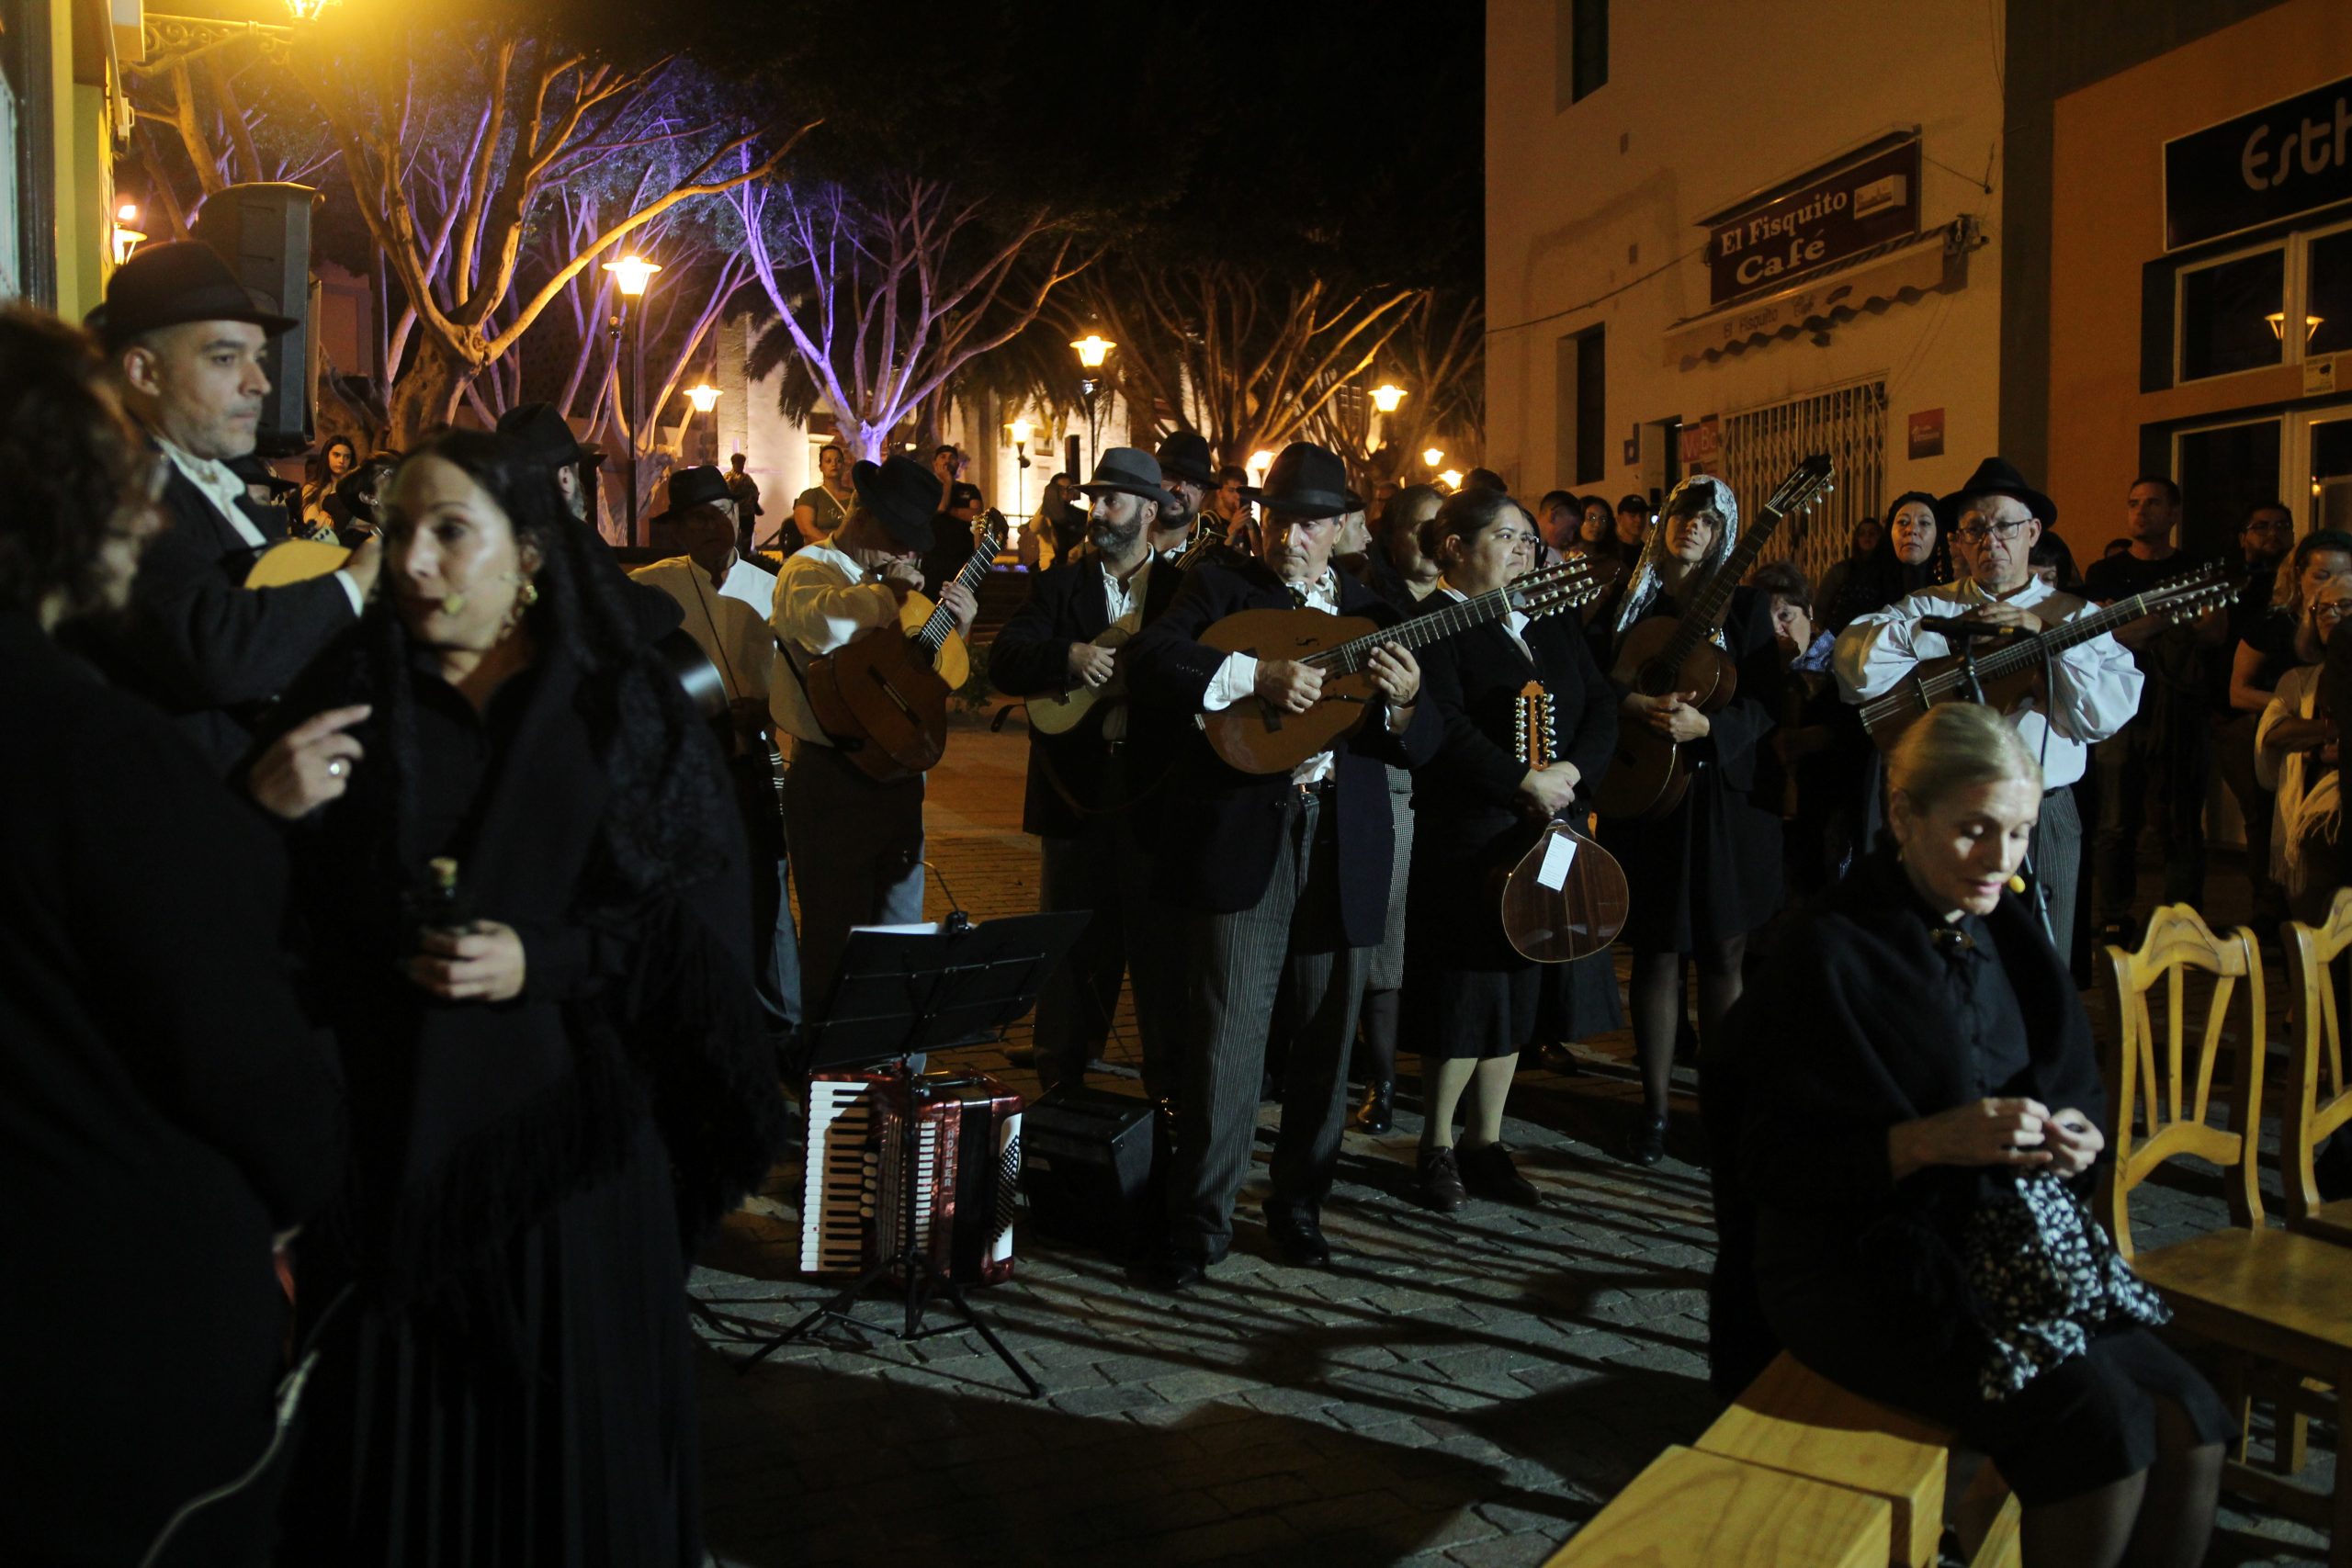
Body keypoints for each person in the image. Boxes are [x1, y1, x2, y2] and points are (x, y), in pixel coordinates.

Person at [255, 431, 783, 1565]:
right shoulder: (346, 693)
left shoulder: (616, 707)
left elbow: (691, 940)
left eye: (450, 532)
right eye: (397, 533)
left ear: (529, 557)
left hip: (572, 1181)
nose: (413, 562)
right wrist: (263, 812)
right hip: (391, 1169)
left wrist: (543, 962)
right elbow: (268, 930)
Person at [1726, 701, 2226, 1568]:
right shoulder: (1822, 950)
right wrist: (1924, 1143)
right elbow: (1767, 1162)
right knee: (2096, 1426)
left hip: (2006, 1241)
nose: (2001, 860)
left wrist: (2076, 1135)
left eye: (2021, 833)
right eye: (1974, 830)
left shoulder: (2005, 925)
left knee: (2189, 1414)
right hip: (1861, 1265)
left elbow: (2070, 1081)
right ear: (1902, 812)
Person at [0, 307, 343, 1568]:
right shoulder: (96, 749)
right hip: (120, 1335)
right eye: (115, 480)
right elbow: (244, 1061)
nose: (146, 517)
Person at [1126, 441, 1438, 1286]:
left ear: (1342, 528)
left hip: (1343, 836)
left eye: (1308, 522)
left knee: (1326, 1038)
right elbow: (1150, 662)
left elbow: (1419, 739)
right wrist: (1250, 674)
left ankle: (1300, 1206)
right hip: (1241, 830)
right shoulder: (1220, 586)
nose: (1288, 535)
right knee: (1226, 1034)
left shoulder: (1377, 614)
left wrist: (1406, 705)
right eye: (1277, 517)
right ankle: (1200, 1224)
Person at [72, 240, 379, 772]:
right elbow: (214, 650)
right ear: (145, 373)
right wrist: (358, 581)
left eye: (257, 358)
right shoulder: (116, 484)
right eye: (224, 357)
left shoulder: (214, 480)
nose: (259, 383)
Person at [1838, 458, 2142, 973]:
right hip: (1948, 812)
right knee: (1949, 956)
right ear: (1958, 541)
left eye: (2004, 526)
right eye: (1975, 529)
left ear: (2032, 533)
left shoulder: (2074, 615)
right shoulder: (1928, 604)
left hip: (2044, 810)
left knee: (2044, 961)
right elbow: (1852, 667)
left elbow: (2103, 715)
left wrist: (2040, 635)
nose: (1990, 540)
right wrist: (1944, 633)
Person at [1403, 489, 1617, 1211]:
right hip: (1472, 832)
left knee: (1520, 982)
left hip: (1550, 825)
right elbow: (1445, 727)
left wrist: (1571, 774)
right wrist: (1518, 778)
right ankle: (1434, 1141)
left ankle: (1485, 1141)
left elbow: (1600, 703)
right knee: (1464, 991)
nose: (1526, 551)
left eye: (1531, 540)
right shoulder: (1434, 622)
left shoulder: (1550, 618)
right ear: (1456, 547)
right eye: (1508, 537)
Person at [989, 449, 1190, 1099]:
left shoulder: (1182, 590)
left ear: (1149, 511)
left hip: (1153, 793)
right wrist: (1067, 655)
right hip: (1075, 794)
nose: (1096, 512)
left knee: (1159, 946)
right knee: (1073, 941)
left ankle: (1165, 1086)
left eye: (1112, 500)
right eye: (1094, 499)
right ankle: (1060, 1076)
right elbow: (1006, 660)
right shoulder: (1059, 585)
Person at [1598, 475, 1781, 1166]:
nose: (1693, 526)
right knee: (1657, 948)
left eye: (1709, 517)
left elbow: (1768, 701)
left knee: (1725, 951)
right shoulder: (1629, 600)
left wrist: (1711, 725)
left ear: (1726, 530)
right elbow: (1595, 680)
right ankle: (1653, 1108)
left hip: (1723, 799)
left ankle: (1723, 1108)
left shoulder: (1747, 606)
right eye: (1682, 513)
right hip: (1647, 793)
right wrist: (1629, 708)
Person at [769, 453, 977, 1015]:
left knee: (898, 931)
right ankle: (830, 1073)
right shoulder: (809, 568)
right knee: (835, 935)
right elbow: (822, 626)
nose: (910, 553)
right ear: (860, 515)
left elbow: (920, 675)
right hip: (831, 778)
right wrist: (888, 595)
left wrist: (956, 627)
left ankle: (889, 1067)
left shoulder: (891, 578)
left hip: (898, 777)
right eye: (899, 537)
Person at [630, 501, 803, 1050]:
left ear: (737, 516)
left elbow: (800, 673)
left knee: (770, 887)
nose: (707, 527)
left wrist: (769, 707)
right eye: (694, 518)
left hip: (754, 762)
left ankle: (784, 1023)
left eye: (717, 514)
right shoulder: (649, 585)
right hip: (683, 770)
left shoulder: (772, 584)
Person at [2084, 476, 2228, 942]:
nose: (2141, 511)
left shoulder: (2197, 569)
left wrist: (2135, 619)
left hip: (2179, 706)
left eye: (2152, 503)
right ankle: (2113, 913)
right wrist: (2170, 615)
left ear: (2174, 513)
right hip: (2118, 708)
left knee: (2181, 817)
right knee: (2114, 819)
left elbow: (2213, 631)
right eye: (2133, 503)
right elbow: (2103, 635)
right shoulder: (2104, 573)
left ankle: (2183, 918)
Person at [2213, 503, 2310, 938]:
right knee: (2263, 818)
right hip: (2253, 727)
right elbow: (2237, 689)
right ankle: (2267, 910)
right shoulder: (2263, 614)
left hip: (2304, 731)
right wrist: (2291, 704)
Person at [2256, 577, 2352, 922]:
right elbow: (2274, 733)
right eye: (2321, 608)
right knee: (2313, 920)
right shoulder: (2300, 680)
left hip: (2339, 810)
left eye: (2344, 605)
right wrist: (2330, 731)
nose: (2331, 614)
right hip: (2308, 808)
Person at [1820, 491, 1947, 634]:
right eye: (1903, 522)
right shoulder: (1863, 586)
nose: (1911, 530)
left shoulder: (1951, 591)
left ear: (1938, 533)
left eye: (1924, 523)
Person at [647, 464, 736, 558]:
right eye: (698, 518)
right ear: (677, 529)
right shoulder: (661, 572)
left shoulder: (752, 572)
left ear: (736, 514)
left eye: (720, 512)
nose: (711, 526)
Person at [1814, 514, 1887, 624]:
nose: (1867, 537)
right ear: (1856, 538)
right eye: (1862, 534)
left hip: (1873, 632)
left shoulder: (1888, 571)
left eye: (1872, 533)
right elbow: (1822, 603)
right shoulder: (1842, 569)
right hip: (1838, 630)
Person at [787, 441, 855, 549]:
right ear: (821, 467)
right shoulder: (810, 496)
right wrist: (835, 548)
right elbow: (807, 529)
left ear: (843, 466)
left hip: (853, 553)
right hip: (823, 553)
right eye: (828, 461)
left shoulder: (855, 496)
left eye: (838, 461)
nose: (834, 464)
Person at [304, 433, 358, 533]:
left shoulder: (357, 487)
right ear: (327, 455)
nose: (342, 460)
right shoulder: (313, 487)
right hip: (325, 543)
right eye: (336, 455)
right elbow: (311, 522)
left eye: (347, 457)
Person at [724, 450, 763, 555]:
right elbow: (727, 492)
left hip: (747, 512)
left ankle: (746, 555)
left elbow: (754, 491)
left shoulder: (747, 478)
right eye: (739, 463)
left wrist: (753, 498)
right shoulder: (728, 477)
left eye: (742, 464)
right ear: (734, 464)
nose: (741, 466)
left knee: (747, 536)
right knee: (733, 536)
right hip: (734, 512)